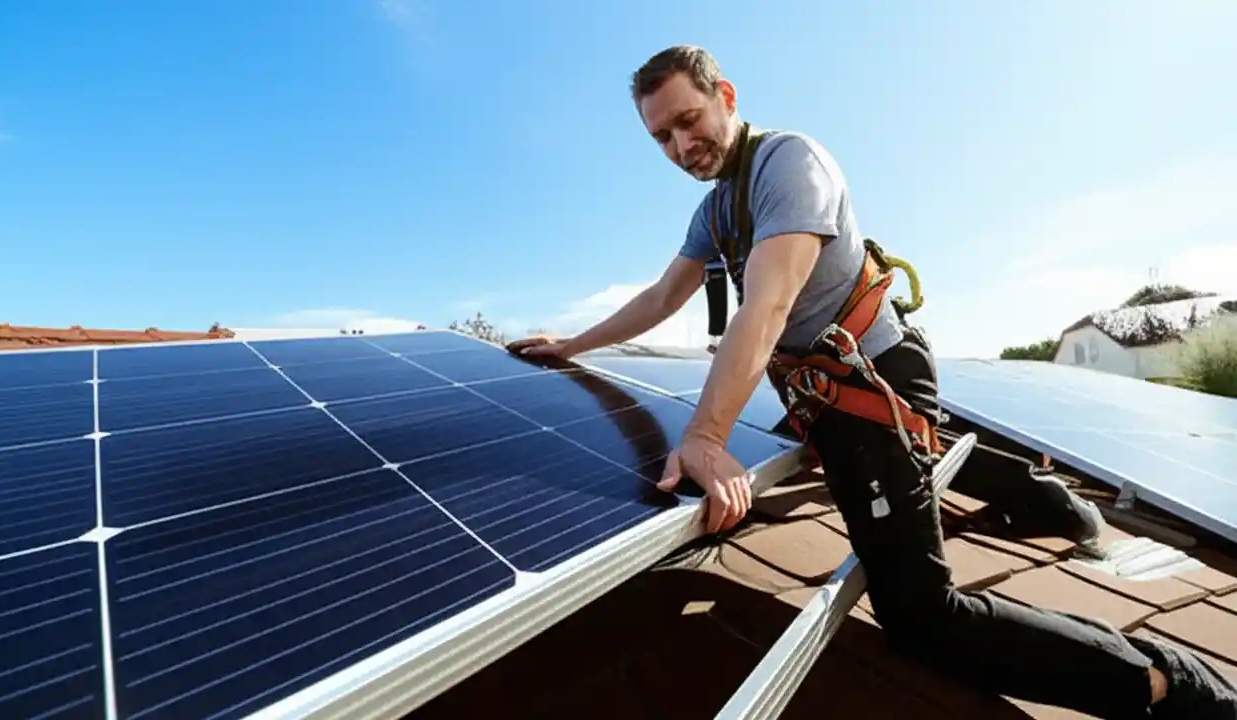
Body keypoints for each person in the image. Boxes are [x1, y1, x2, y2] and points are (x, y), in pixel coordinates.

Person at [506, 45, 1236, 718]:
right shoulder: (713, 210)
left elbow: (767, 305)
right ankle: (1052, 501)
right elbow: (663, 295)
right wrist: (573, 343)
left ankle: (1162, 680)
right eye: (661, 138)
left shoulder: (789, 164)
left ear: (724, 95)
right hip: (821, 389)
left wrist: (705, 433)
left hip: (873, 375)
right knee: (916, 461)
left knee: (921, 616)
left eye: (688, 121)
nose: (679, 146)